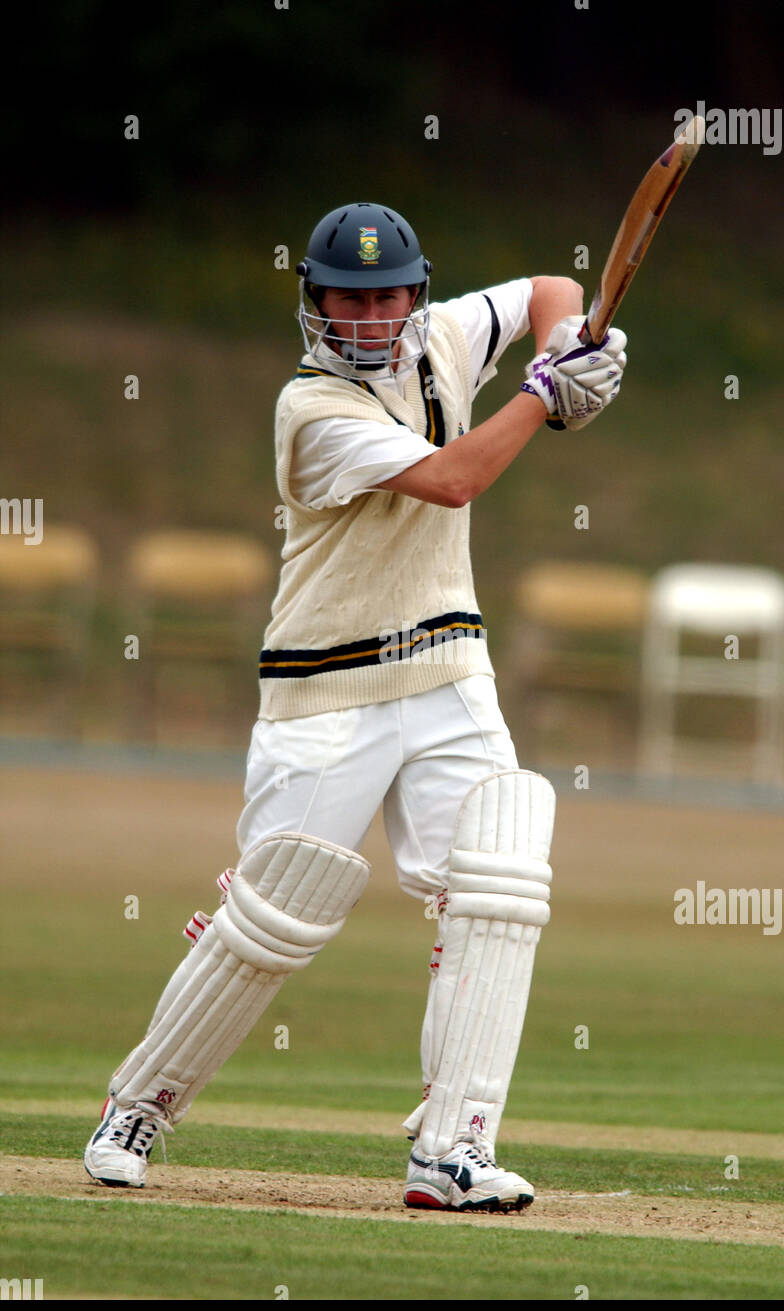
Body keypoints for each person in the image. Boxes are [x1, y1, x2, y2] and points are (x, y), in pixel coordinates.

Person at [84, 202, 627, 1211]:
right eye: (350, 296)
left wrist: (563, 336)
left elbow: (546, 289)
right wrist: (546, 396)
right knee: (273, 914)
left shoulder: (446, 336)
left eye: (388, 295)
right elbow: (455, 478)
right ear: (316, 303)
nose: (372, 315)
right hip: (323, 684)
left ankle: (452, 1147)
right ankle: (138, 1105)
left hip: (447, 663)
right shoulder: (310, 410)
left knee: (498, 882)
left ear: (414, 295)